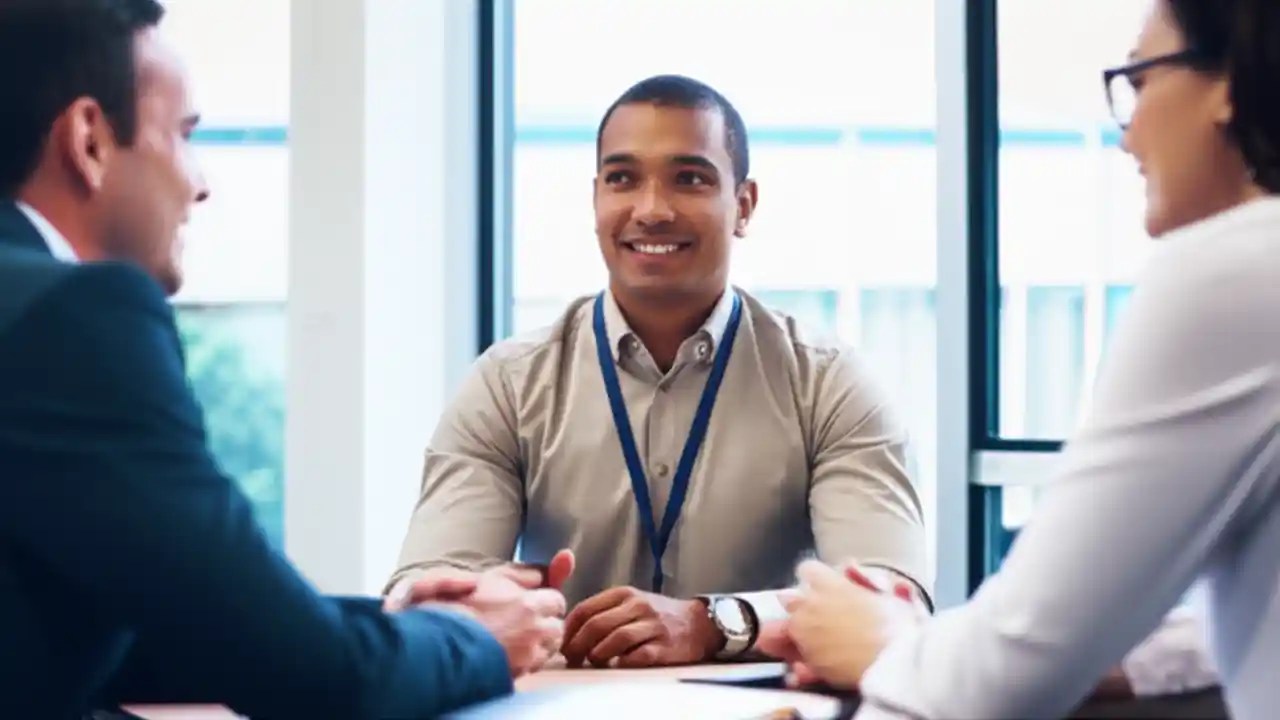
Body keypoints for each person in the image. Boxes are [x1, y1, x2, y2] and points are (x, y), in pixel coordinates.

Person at [0, 1, 564, 717]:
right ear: (88, 140)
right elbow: (313, 681)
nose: (199, 182)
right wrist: (470, 640)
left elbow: (141, 631)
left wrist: (394, 629)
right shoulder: (73, 320)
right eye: (184, 135)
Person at [763, 1, 1280, 718]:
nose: (1126, 133)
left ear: (1226, 82)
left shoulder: (1234, 270)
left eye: (1139, 80)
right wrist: (931, 646)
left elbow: (1004, 678)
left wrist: (885, 642)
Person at [386, 74, 931, 669]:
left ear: (743, 206)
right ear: (596, 199)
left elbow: (891, 603)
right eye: (622, 179)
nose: (651, 209)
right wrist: (467, 606)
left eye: (689, 179)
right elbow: (423, 589)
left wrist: (714, 622)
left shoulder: (828, 383)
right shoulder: (507, 384)